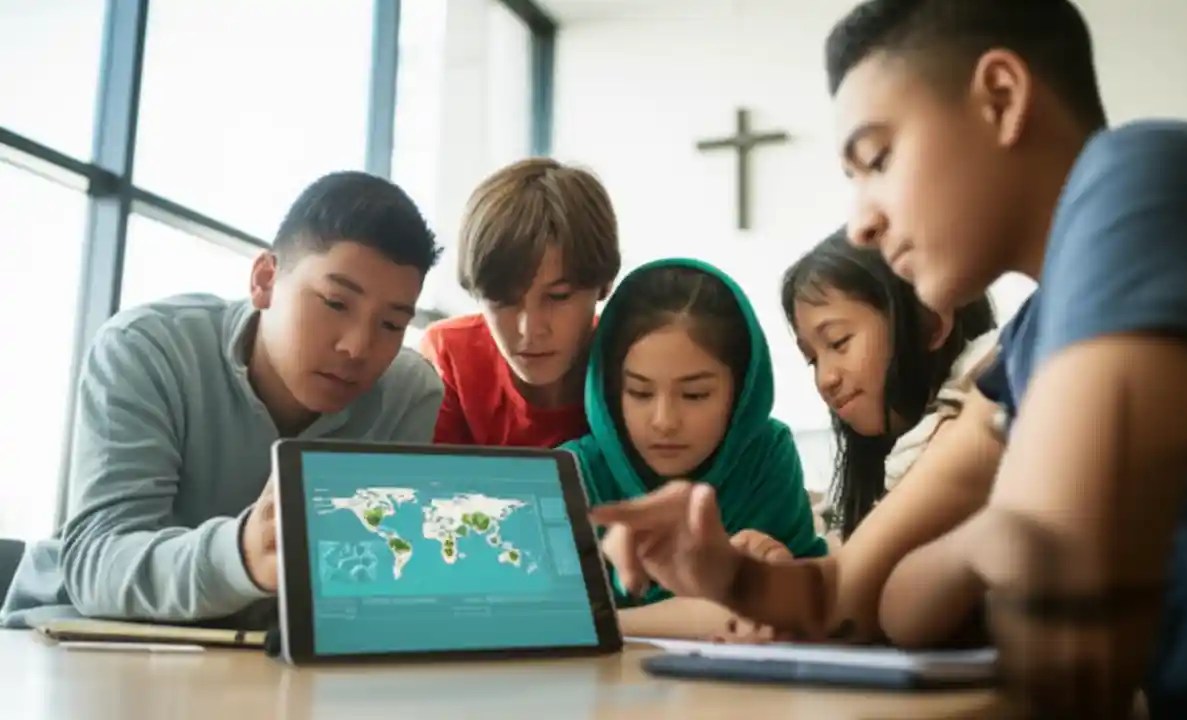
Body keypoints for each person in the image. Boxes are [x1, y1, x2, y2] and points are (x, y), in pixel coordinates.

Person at [589, 1, 1187, 717]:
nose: (862, 220)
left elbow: (1065, 596)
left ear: (1001, 99)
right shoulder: (1034, 339)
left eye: (878, 159)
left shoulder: (1141, 184)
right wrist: (724, 573)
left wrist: (1009, 538)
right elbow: (845, 593)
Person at [1, 171, 444, 629]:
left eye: (392, 325)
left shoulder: (409, 394)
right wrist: (242, 555)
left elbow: (373, 586)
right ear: (265, 280)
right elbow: (99, 563)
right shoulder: (148, 347)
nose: (357, 347)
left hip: (257, 653)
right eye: (335, 302)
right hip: (77, 635)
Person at [561, 258, 826, 639]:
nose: (664, 421)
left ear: (741, 392)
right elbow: (539, 620)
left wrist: (773, 578)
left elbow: (807, 607)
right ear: (611, 390)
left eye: (695, 394)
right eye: (639, 392)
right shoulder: (570, 474)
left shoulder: (765, 456)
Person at [783, 231, 996, 543]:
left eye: (838, 341)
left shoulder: (987, 420)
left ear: (929, 323)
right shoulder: (876, 473)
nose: (825, 379)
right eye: (812, 360)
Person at [421, 158, 620, 447]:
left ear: (604, 284)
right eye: (503, 300)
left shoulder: (632, 364)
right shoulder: (451, 356)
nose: (530, 329)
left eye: (558, 296)